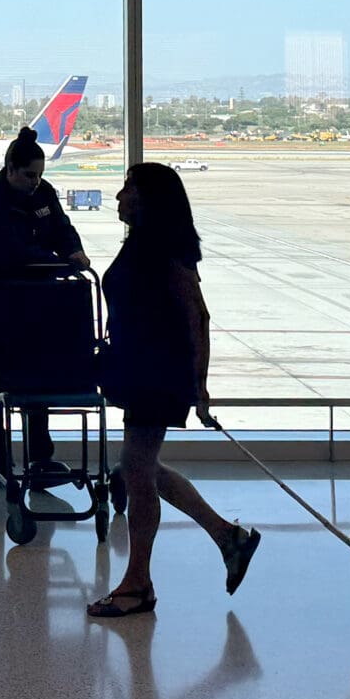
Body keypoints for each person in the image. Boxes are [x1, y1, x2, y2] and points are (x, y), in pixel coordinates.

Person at [88, 163, 259, 618]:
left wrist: (200, 385)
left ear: (148, 199)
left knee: (138, 472)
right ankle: (228, 537)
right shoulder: (141, 245)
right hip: (140, 369)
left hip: (158, 373)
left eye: (128, 188)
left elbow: (197, 317)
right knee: (142, 467)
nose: (119, 195)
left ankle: (138, 583)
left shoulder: (166, 250)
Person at [0, 126, 89, 482]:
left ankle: (39, 458)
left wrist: (73, 250)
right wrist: (50, 259)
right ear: (10, 169)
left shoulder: (43, 193)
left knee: (37, 372)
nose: (35, 182)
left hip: (33, 298)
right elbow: (8, 250)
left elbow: (61, 225)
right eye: (29, 175)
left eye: (40, 175)